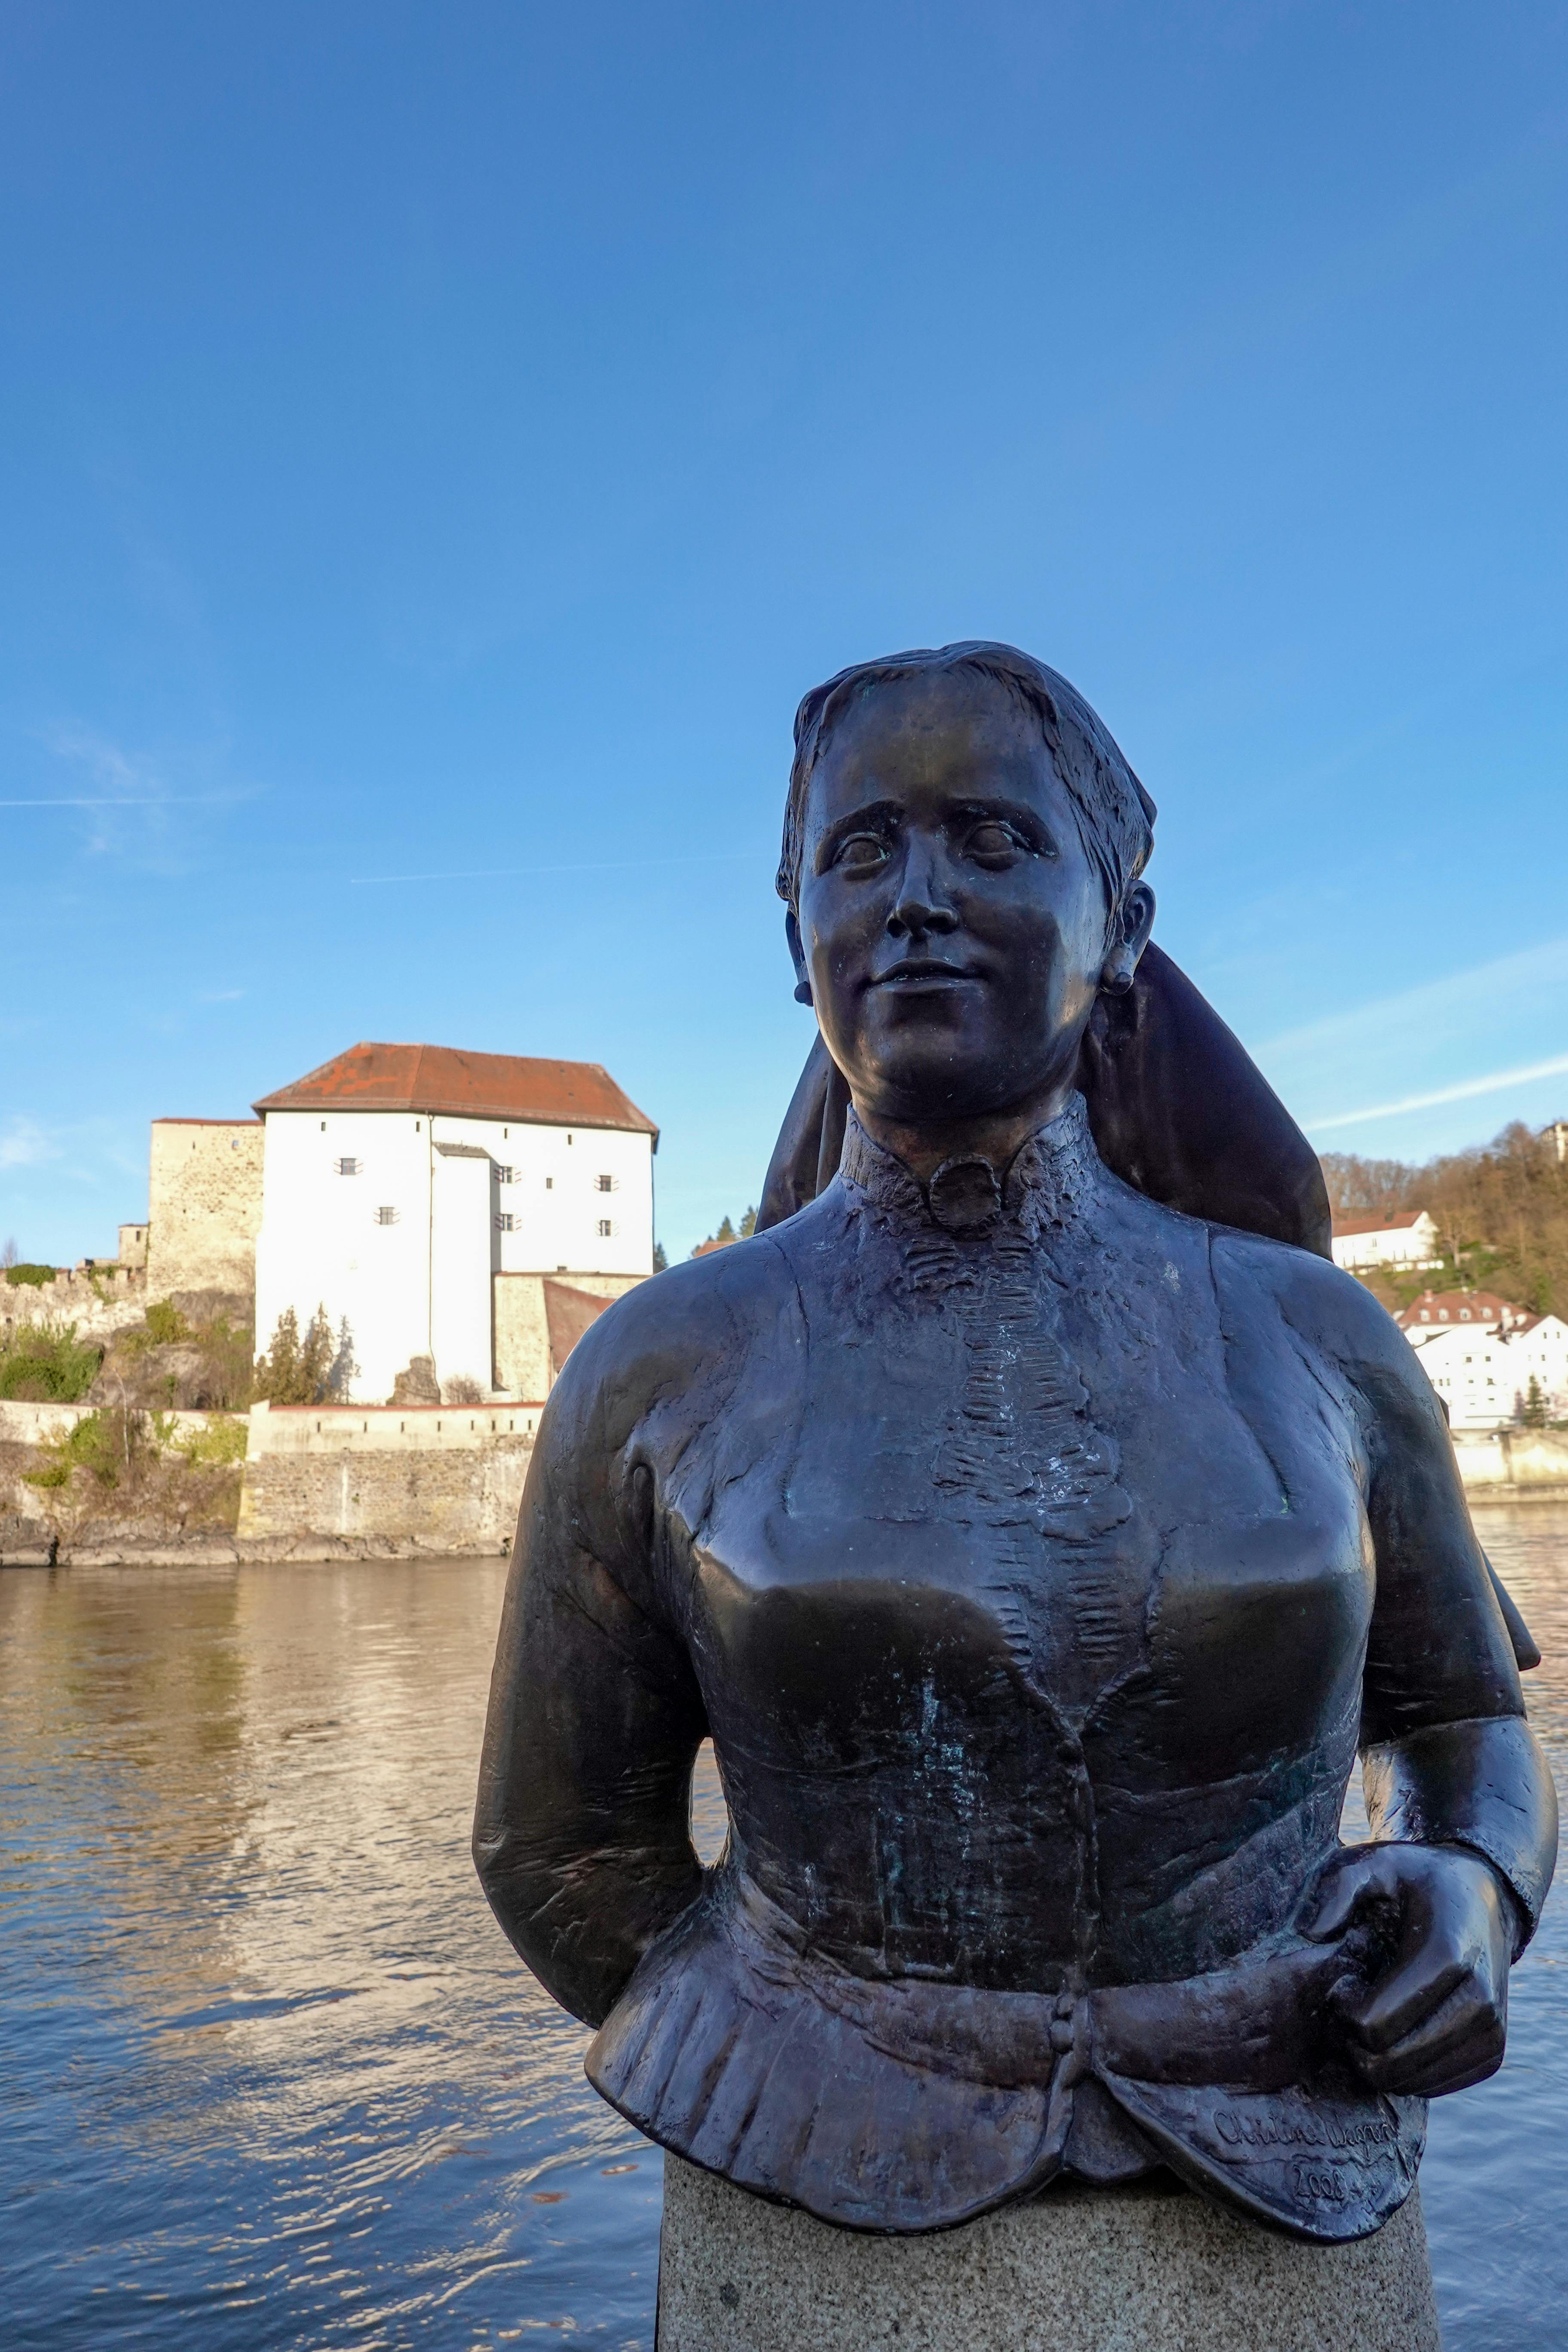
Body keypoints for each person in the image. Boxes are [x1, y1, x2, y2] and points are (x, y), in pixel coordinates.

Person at [474, 643, 1556, 2242]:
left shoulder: (1320, 1339)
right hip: (809, 2151)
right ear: (799, 943)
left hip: (1292, 2141)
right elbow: (558, 1841)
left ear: (1120, 926)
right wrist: (819, 2050)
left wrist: (1475, 1883)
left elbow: (1463, 1719)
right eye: (861, 851)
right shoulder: (658, 1366)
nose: (916, 897)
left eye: (992, 841)